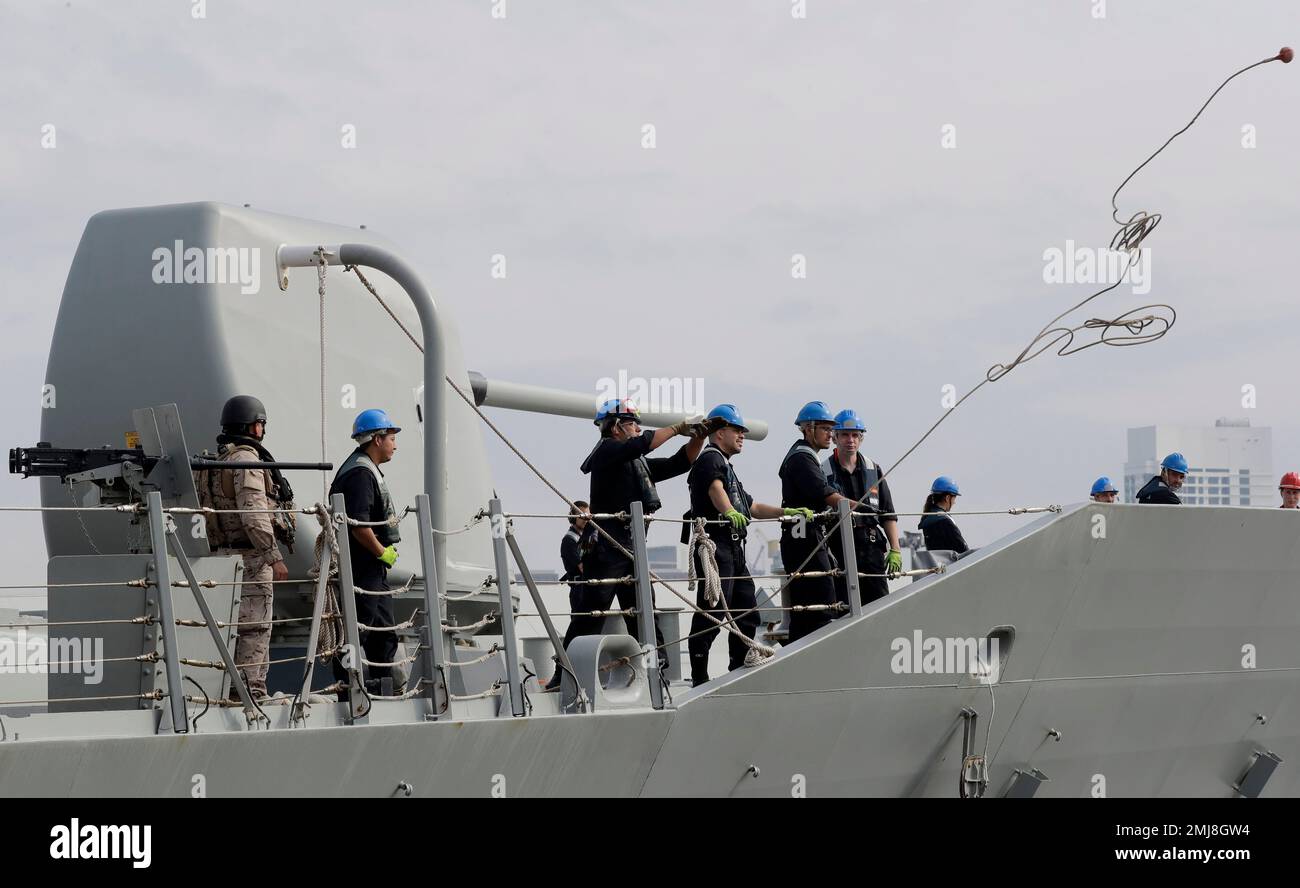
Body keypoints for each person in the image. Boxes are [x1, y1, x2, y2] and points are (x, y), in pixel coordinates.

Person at [569, 400, 719, 661]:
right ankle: (565, 672)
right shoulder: (607, 451)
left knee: (644, 613)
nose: (638, 428)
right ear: (615, 427)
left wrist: (699, 437)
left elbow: (680, 462)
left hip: (630, 549)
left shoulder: (636, 464)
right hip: (606, 549)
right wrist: (677, 428)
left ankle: (655, 668)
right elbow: (642, 443)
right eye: (632, 423)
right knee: (591, 615)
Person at [685, 404, 812, 686]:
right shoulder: (710, 460)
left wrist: (787, 512)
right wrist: (728, 511)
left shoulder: (727, 467)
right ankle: (699, 675)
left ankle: (739, 666)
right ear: (719, 433)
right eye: (737, 430)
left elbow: (752, 506)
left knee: (746, 609)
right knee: (713, 611)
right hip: (715, 546)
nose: (742, 435)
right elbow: (714, 489)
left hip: (733, 549)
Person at [200, 395, 292, 700]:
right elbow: (253, 514)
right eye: (259, 423)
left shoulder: (218, 460)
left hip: (222, 556)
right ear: (251, 426)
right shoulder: (245, 460)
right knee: (255, 627)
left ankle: (228, 689)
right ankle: (251, 692)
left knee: (228, 626)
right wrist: (273, 556)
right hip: (251, 557)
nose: (261, 430)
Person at [778, 401, 871, 644]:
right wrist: (864, 508)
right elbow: (826, 494)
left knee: (813, 605)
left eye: (832, 429)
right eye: (825, 428)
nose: (831, 433)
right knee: (819, 603)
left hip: (806, 539)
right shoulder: (802, 459)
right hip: (803, 542)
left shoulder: (805, 456)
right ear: (808, 429)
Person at [330, 408, 403, 694]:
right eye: (391, 437)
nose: (395, 444)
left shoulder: (363, 467)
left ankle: (385, 687)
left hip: (372, 568)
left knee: (383, 629)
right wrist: (381, 551)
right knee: (357, 626)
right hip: (361, 567)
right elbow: (358, 525)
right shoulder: (360, 473)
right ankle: (347, 689)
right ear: (377, 438)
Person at [823, 408, 902, 609]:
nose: (850, 440)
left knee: (879, 608)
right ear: (835, 437)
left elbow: (888, 514)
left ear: (861, 439)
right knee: (844, 609)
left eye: (855, 435)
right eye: (845, 435)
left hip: (872, 549)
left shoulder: (873, 470)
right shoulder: (823, 472)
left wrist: (896, 549)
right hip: (838, 550)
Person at [543, 501, 597, 690]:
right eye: (582, 515)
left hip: (591, 586)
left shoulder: (590, 535)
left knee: (590, 628)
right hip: (579, 589)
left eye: (588, 514)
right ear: (574, 517)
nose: (586, 518)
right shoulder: (570, 540)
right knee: (576, 628)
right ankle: (561, 671)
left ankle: (584, 671)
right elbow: (581, 567)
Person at [918, 476, 969, 554]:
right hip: (951, 564)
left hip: (937, 564)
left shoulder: (928, 518)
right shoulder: (945, 521)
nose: (955, 502)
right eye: (954, 498)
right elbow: (963, 549)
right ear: (948, 498)